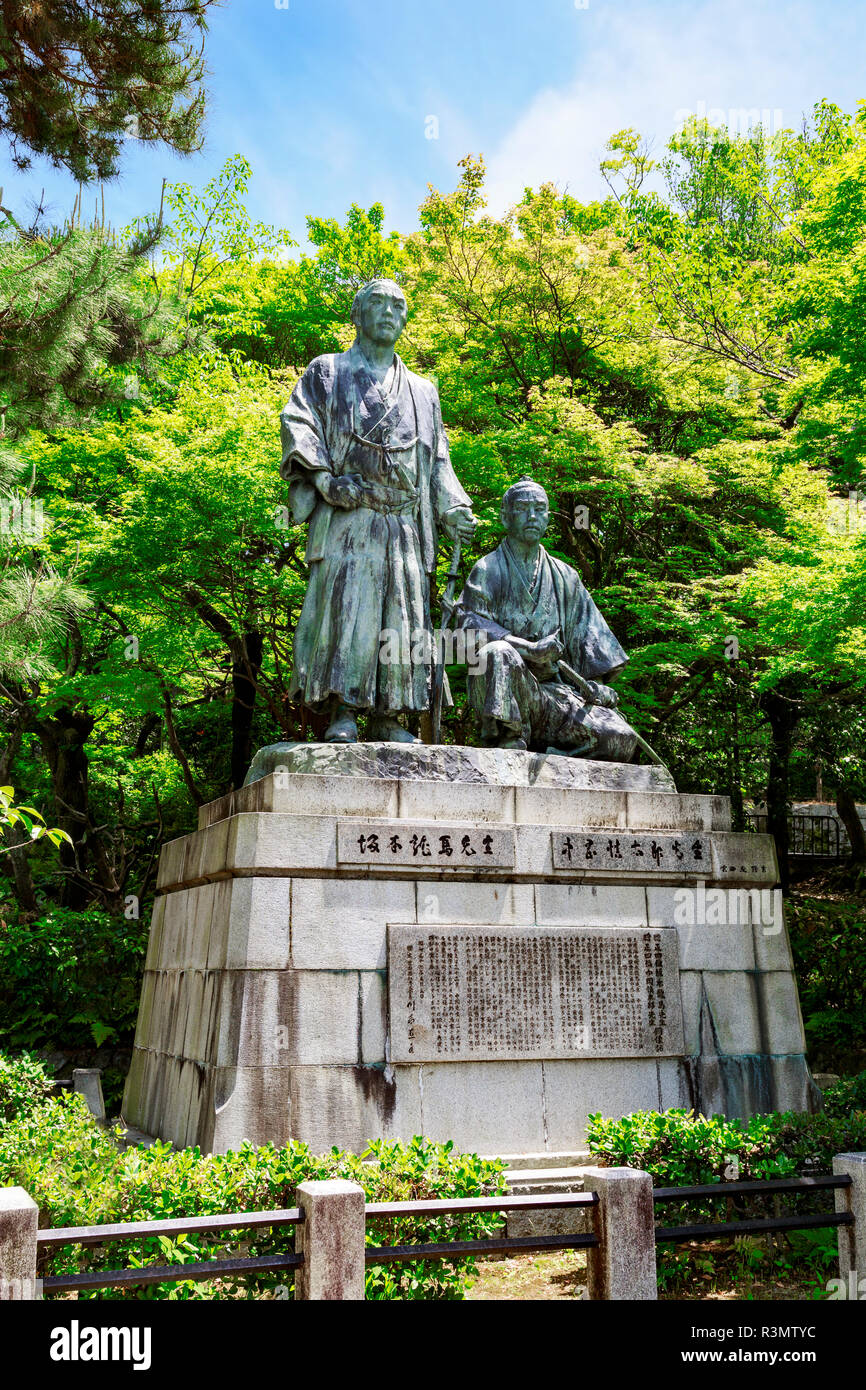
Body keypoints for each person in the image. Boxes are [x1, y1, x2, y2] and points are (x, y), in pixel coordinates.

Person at [280, 278, 476, 743]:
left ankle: (391, 714)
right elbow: (299, 423)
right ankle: (344, 710)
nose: (388, 311)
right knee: (350, 611)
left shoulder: (424, 391)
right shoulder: (327, 371)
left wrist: (453, 507)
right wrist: (325, 480)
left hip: (405, 522)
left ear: (405, 319)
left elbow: (437, 459)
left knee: (402, 616)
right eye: (377, 302)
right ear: (358, 313)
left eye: (398, 305)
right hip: (351, 514)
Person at [458, 477, 639, 760]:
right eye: (522, 508)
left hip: (555, 695)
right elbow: (468, 627)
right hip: (509, 690)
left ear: (547, 518)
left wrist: (600, 688)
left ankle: (554, 757)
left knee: (622, 739)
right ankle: (509, 736)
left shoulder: (566, 577)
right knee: (498, 651)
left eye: (540, 509)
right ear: (506, 518)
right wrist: (528, 649)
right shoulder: (487, 569)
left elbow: (592, 646)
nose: (532, 516)